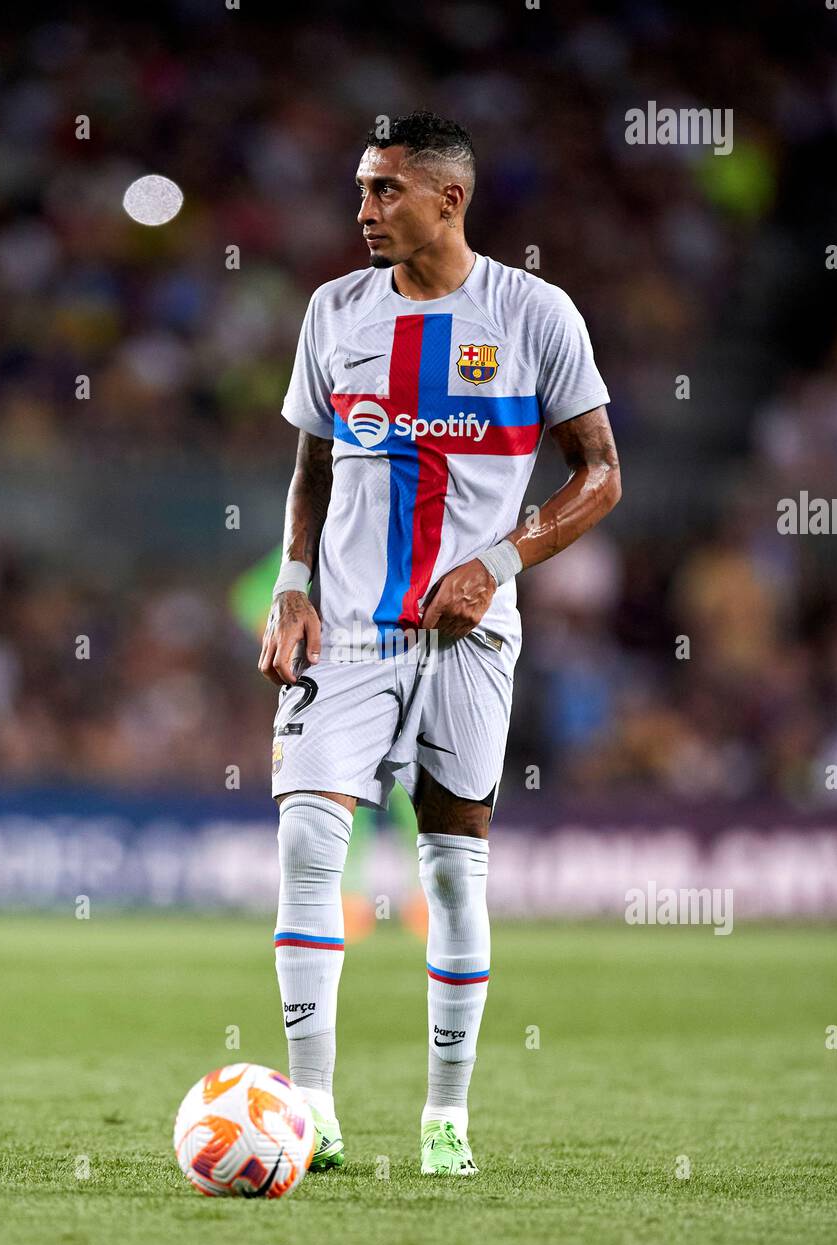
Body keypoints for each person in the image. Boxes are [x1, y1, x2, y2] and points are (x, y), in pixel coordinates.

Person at [259, 110, 621, 1175]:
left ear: (447, 199)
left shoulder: (532, 313)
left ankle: (444, 1119)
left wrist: (499, 561)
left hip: (470, 640)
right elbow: (311, 467)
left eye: (384, 191)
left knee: (453, 870)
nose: (362, 210)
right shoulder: (332, 311)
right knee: (305, 843)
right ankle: (310, 1109)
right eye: (361, 190)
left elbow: (599, 474)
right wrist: (289, 583)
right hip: (350, 632)